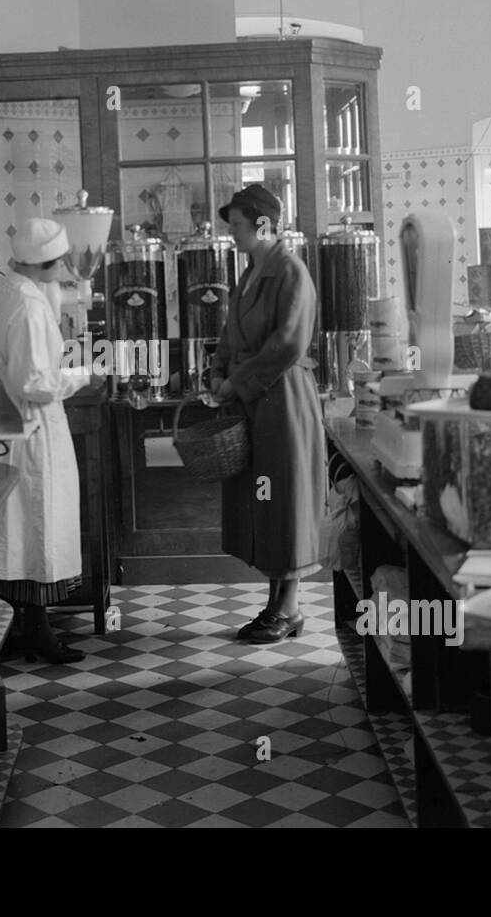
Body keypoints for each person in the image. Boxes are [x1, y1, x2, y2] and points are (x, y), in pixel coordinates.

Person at [0, 217, 90, 664]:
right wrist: (80, 376)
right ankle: (36, 631)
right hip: (32, 426)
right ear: (52, 263)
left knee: (16, 529)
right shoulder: (30, 306)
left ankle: (21, 626)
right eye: (61, 263)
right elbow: (34, 382)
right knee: (36, 524)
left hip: (4, 428)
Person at [210, 184, 326, 644]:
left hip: (284, 401)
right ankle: (276, 603)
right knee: (266, 502)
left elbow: (287, 344)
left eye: (236, 224)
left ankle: (290, 608)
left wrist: (236, 382)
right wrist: (216, 373)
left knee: (286, 500)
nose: (232, 233)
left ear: (260, 222)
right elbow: (229, 331)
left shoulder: (290, 271)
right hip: (255, 402)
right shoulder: (251, 272)